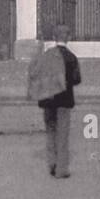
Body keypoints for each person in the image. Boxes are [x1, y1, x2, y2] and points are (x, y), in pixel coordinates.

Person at [26, 24, 81, 179]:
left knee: (50, 132)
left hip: (48, 100)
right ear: (68, 38)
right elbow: (77, 79)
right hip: (64, 101)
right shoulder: (71, 57)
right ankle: (61, 169)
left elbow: (37, 73)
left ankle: (52, 163)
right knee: (62, 134)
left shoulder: (47, 55)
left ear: (55, 38)